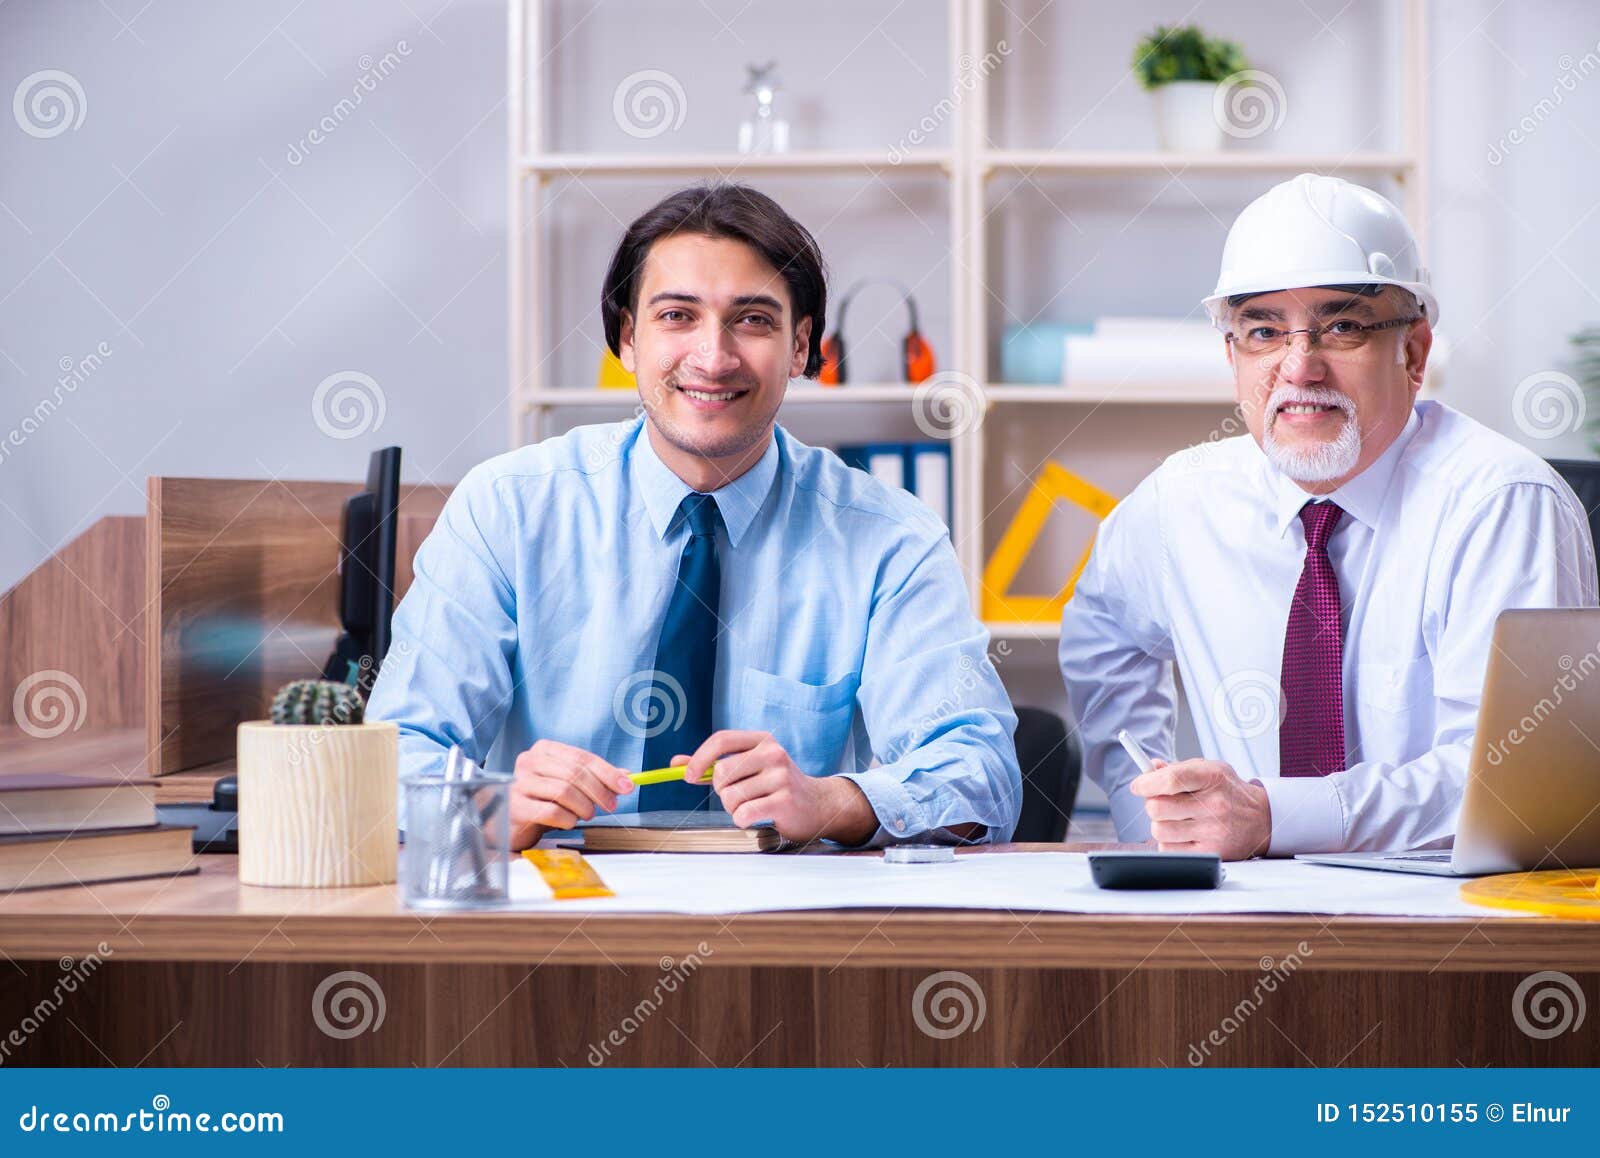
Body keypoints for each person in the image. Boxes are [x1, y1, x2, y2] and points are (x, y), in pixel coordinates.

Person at [367, 183, 1020, 851]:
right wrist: (490, 807)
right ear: (629, 339)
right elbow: (391, 756)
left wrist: (830, 801)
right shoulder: (506, 508)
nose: (713, 357)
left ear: (800, 348)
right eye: (678, 316)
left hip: (787, 910)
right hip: (564, 902)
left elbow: (983, 773)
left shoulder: (890, 536)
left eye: (753, 320)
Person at [1059, 173, 1597, 860]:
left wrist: (1273, 817)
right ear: (1231, 357)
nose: (1299, 368)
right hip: (1238, 904)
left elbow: (1515, 781)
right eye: (1264, 331)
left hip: (1447, 908)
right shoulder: (1181, 502)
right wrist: (1153, 816)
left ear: (1413, 352)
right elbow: (1101, 633)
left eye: (1343, 327)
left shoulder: (1502, 504)